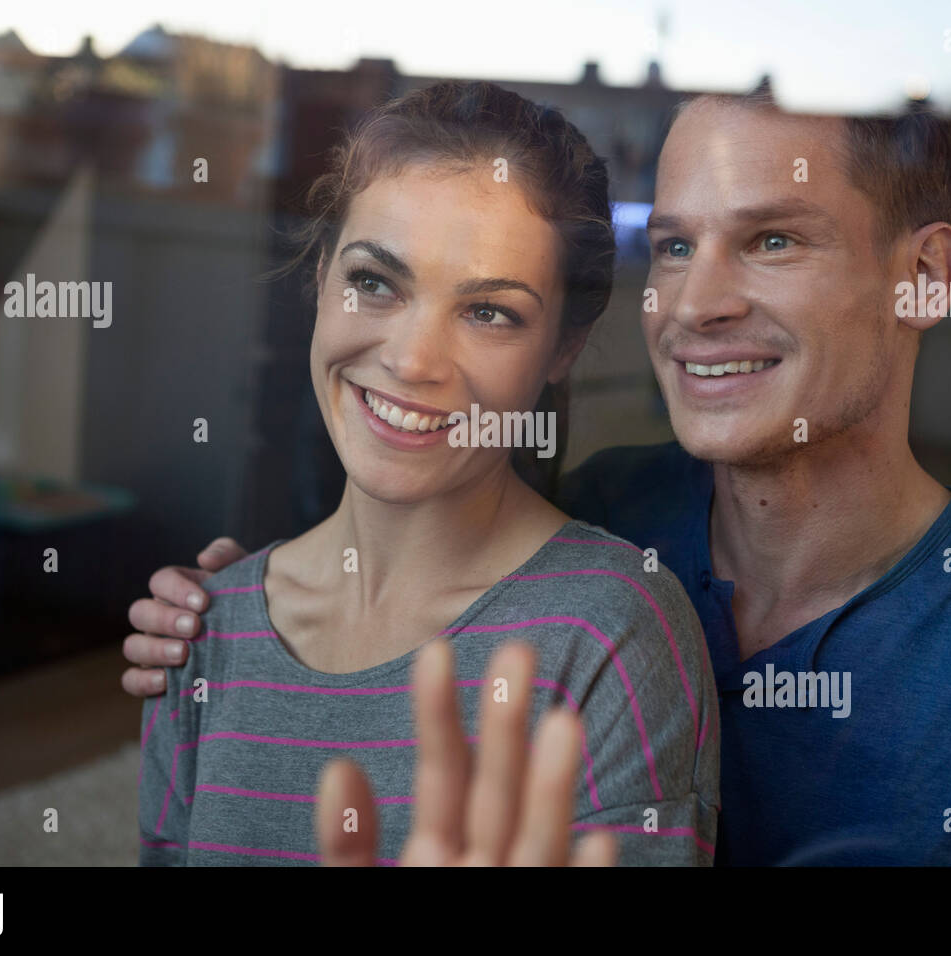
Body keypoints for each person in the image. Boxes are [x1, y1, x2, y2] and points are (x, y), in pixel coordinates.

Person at [128, 87, 951, 866]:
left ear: (923, 279)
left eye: (772, 239)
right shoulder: (606, 503)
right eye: (671, 246)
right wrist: (229, 604)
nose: (695, 302)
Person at [135, 80, 720, 867]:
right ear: (319, 280)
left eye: (488, 313)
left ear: (562, 350)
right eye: (374, 281)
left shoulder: (609, 638)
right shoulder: (203, 631)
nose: (411, 360)